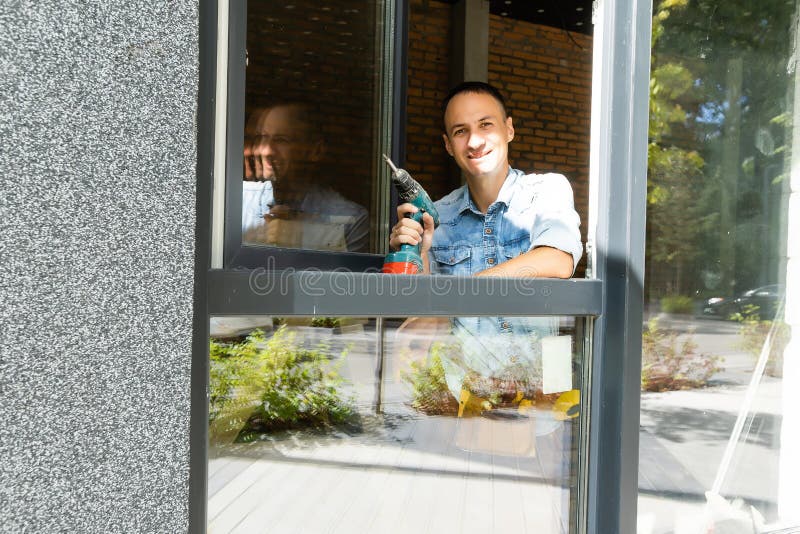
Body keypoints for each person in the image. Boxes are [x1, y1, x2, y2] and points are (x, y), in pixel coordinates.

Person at [389, 81, 582, 417]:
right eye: (460, 131)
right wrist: (417, 254)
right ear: (448, 145)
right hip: (465, 401)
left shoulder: (547, 190)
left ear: (509, 129)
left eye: (485, 125)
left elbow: (558, 259)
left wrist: (469, 287)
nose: (474, 141)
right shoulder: (438, 216)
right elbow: (426, 324)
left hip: (542, 397)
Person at [242, 101, 370, 252]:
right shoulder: (237, 201)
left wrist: (300, 238)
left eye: (281, 140)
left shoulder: (350, 221)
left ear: (315, 151)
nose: (265, 151)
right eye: (261, 138)